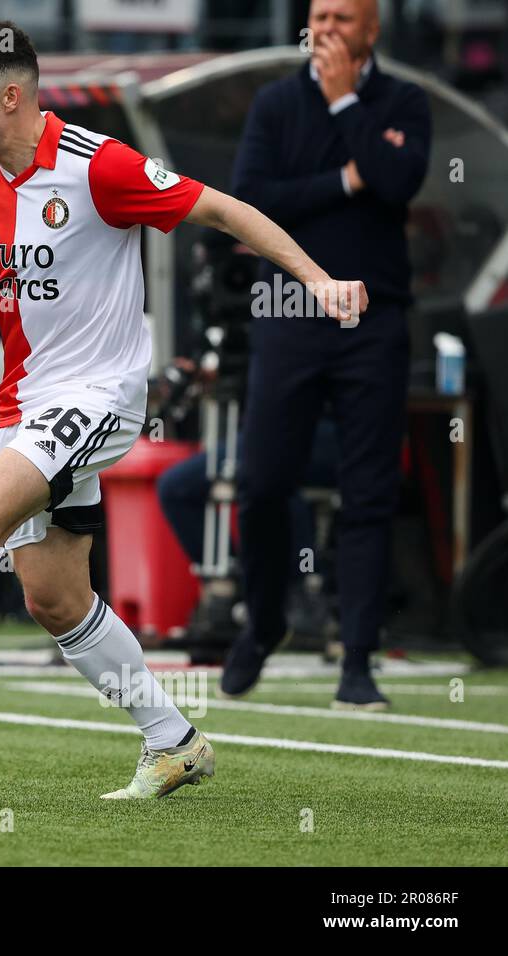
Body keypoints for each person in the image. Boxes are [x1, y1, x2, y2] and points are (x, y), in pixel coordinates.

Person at [0, 20, 367, 798]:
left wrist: (316, 280)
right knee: (54, 598)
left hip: (102, 397)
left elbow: (223, 210)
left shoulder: (99, 167)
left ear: (11, 96)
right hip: (28, 403)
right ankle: (173, 740)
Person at [224, 0, 430, 709]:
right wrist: (345, 182)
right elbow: (249, 204)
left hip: (375, 318)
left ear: (372, 28)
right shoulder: (277, 103)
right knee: (260, 482)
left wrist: (346, 104)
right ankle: (266, 622)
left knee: (369, 493)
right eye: (320, 15)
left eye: (345, 17)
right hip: (289, 315)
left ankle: (358, 660)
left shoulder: (403, 99)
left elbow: (400, 181)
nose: (330, 29)